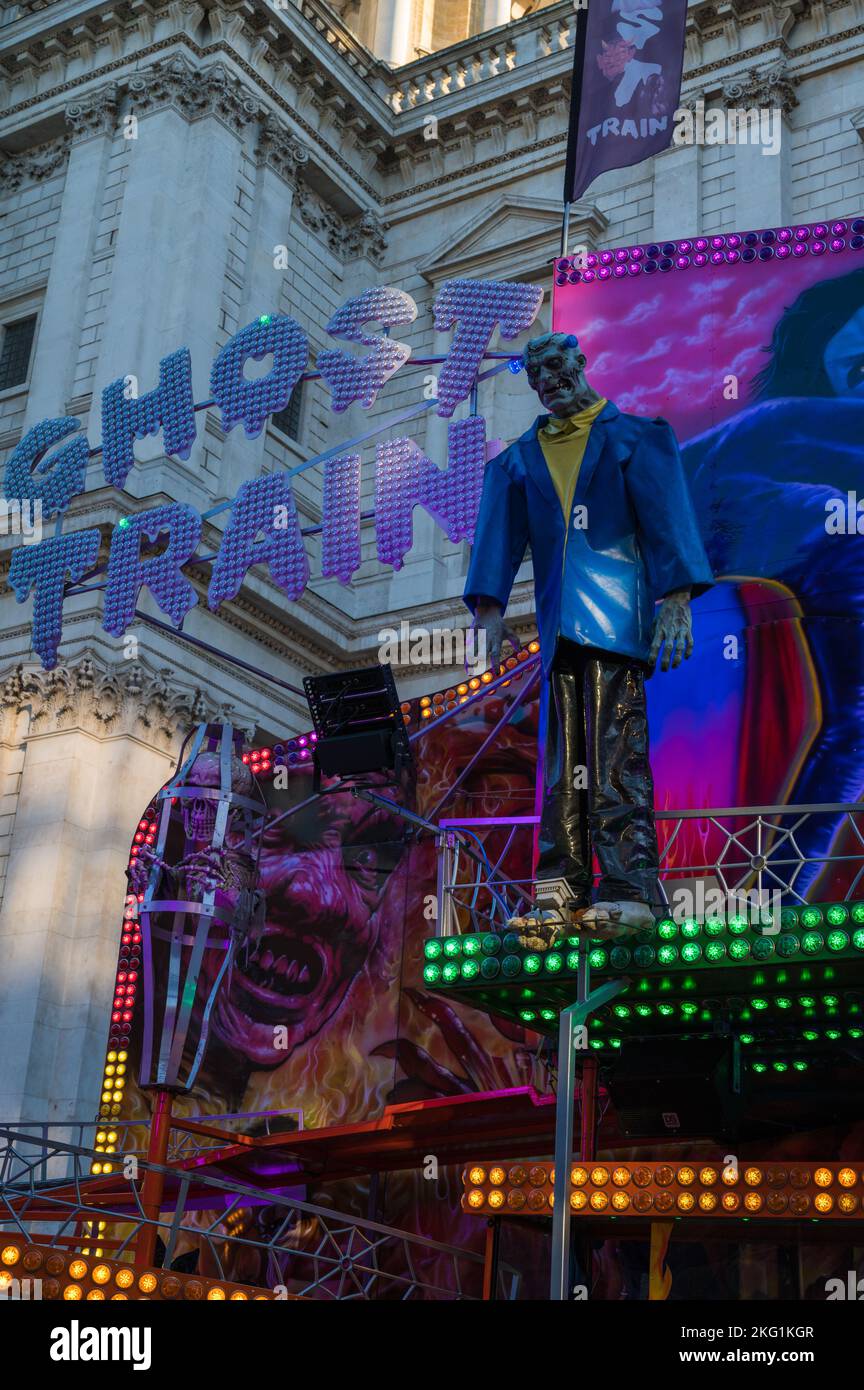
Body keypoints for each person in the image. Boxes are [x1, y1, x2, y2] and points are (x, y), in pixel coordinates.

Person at [465, 331, 713, 945]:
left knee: (615, 755)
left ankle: (629, 888)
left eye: (554, 366)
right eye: (534, 374)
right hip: (559, 628)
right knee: (562, 767)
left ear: (579, 363)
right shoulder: (519, 458)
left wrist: (675, 598)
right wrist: (489, 609)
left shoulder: (635, 438)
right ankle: (559, 893)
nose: (548, 380)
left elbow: (666, 519)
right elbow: (500, 531)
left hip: (615, 620)